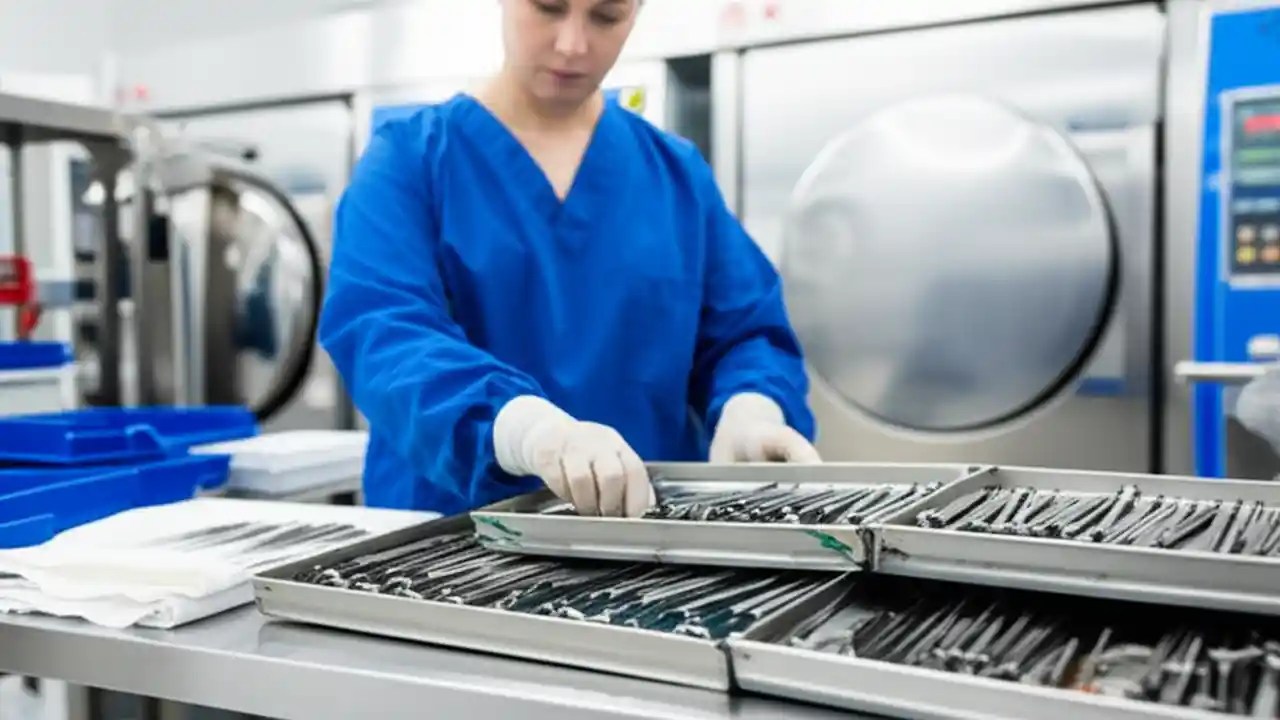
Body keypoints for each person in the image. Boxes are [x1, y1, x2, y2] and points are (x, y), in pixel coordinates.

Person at [319, 0, 819, 520]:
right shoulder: (410, 161)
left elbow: (746, 332)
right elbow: (385, 334)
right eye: (549, 7)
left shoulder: (675, 175)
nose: (572, 45)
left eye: (606, 17)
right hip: (452, 539)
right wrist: (523, 430)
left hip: (649, 540)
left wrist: (751, 409)